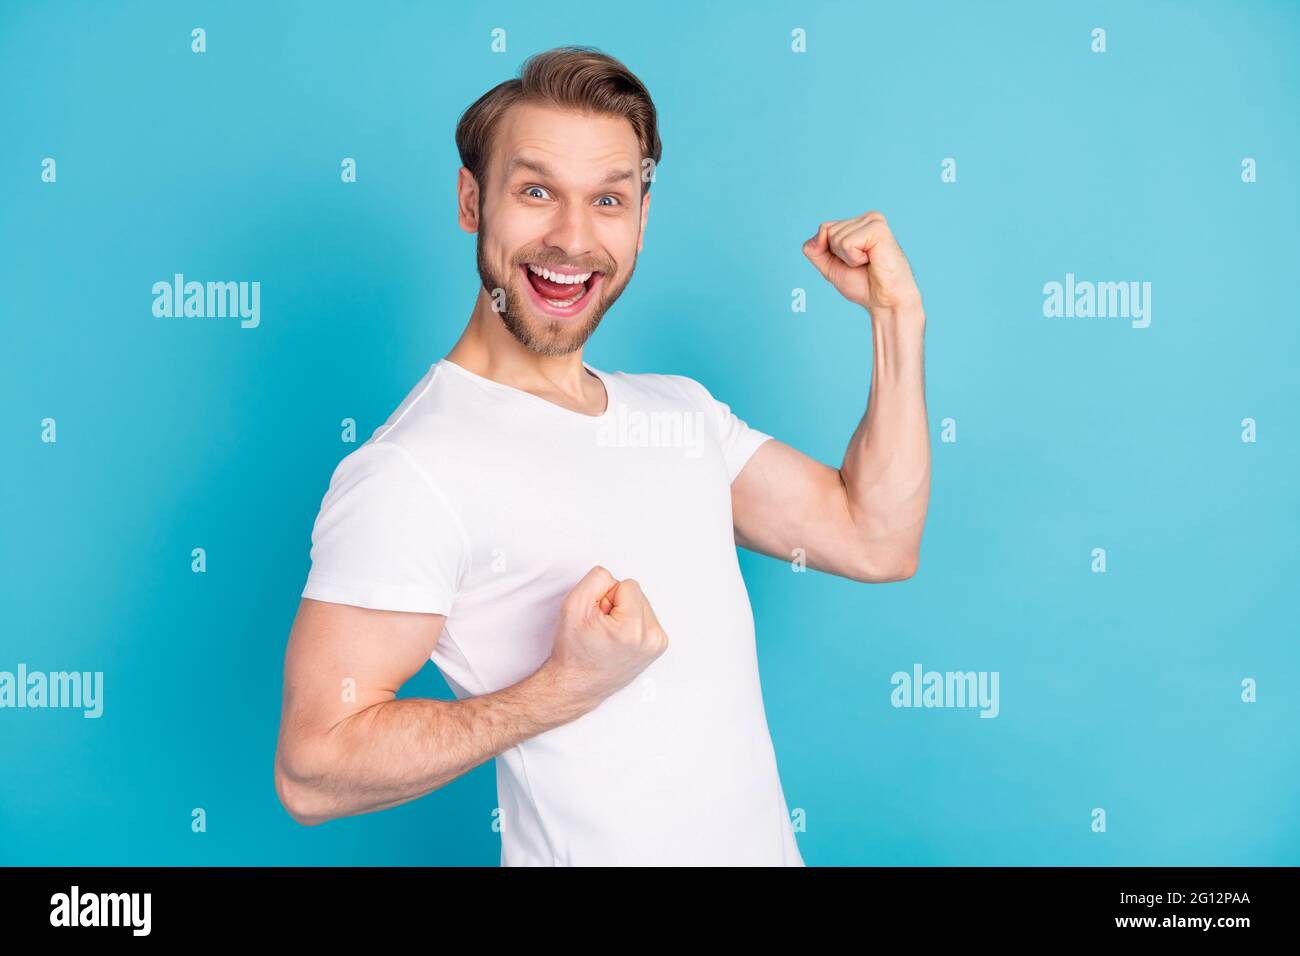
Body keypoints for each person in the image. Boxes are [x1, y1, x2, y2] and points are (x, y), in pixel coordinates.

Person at [273, 45, 931, 866]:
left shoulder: (680, 415)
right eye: (537, 190)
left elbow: (876, 538)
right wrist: (560, 691)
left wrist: (897, 319)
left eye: (609, 199)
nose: (572, 238)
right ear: (471, 200)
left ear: (643, 219)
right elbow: (312, 769)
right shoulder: (413, 467)